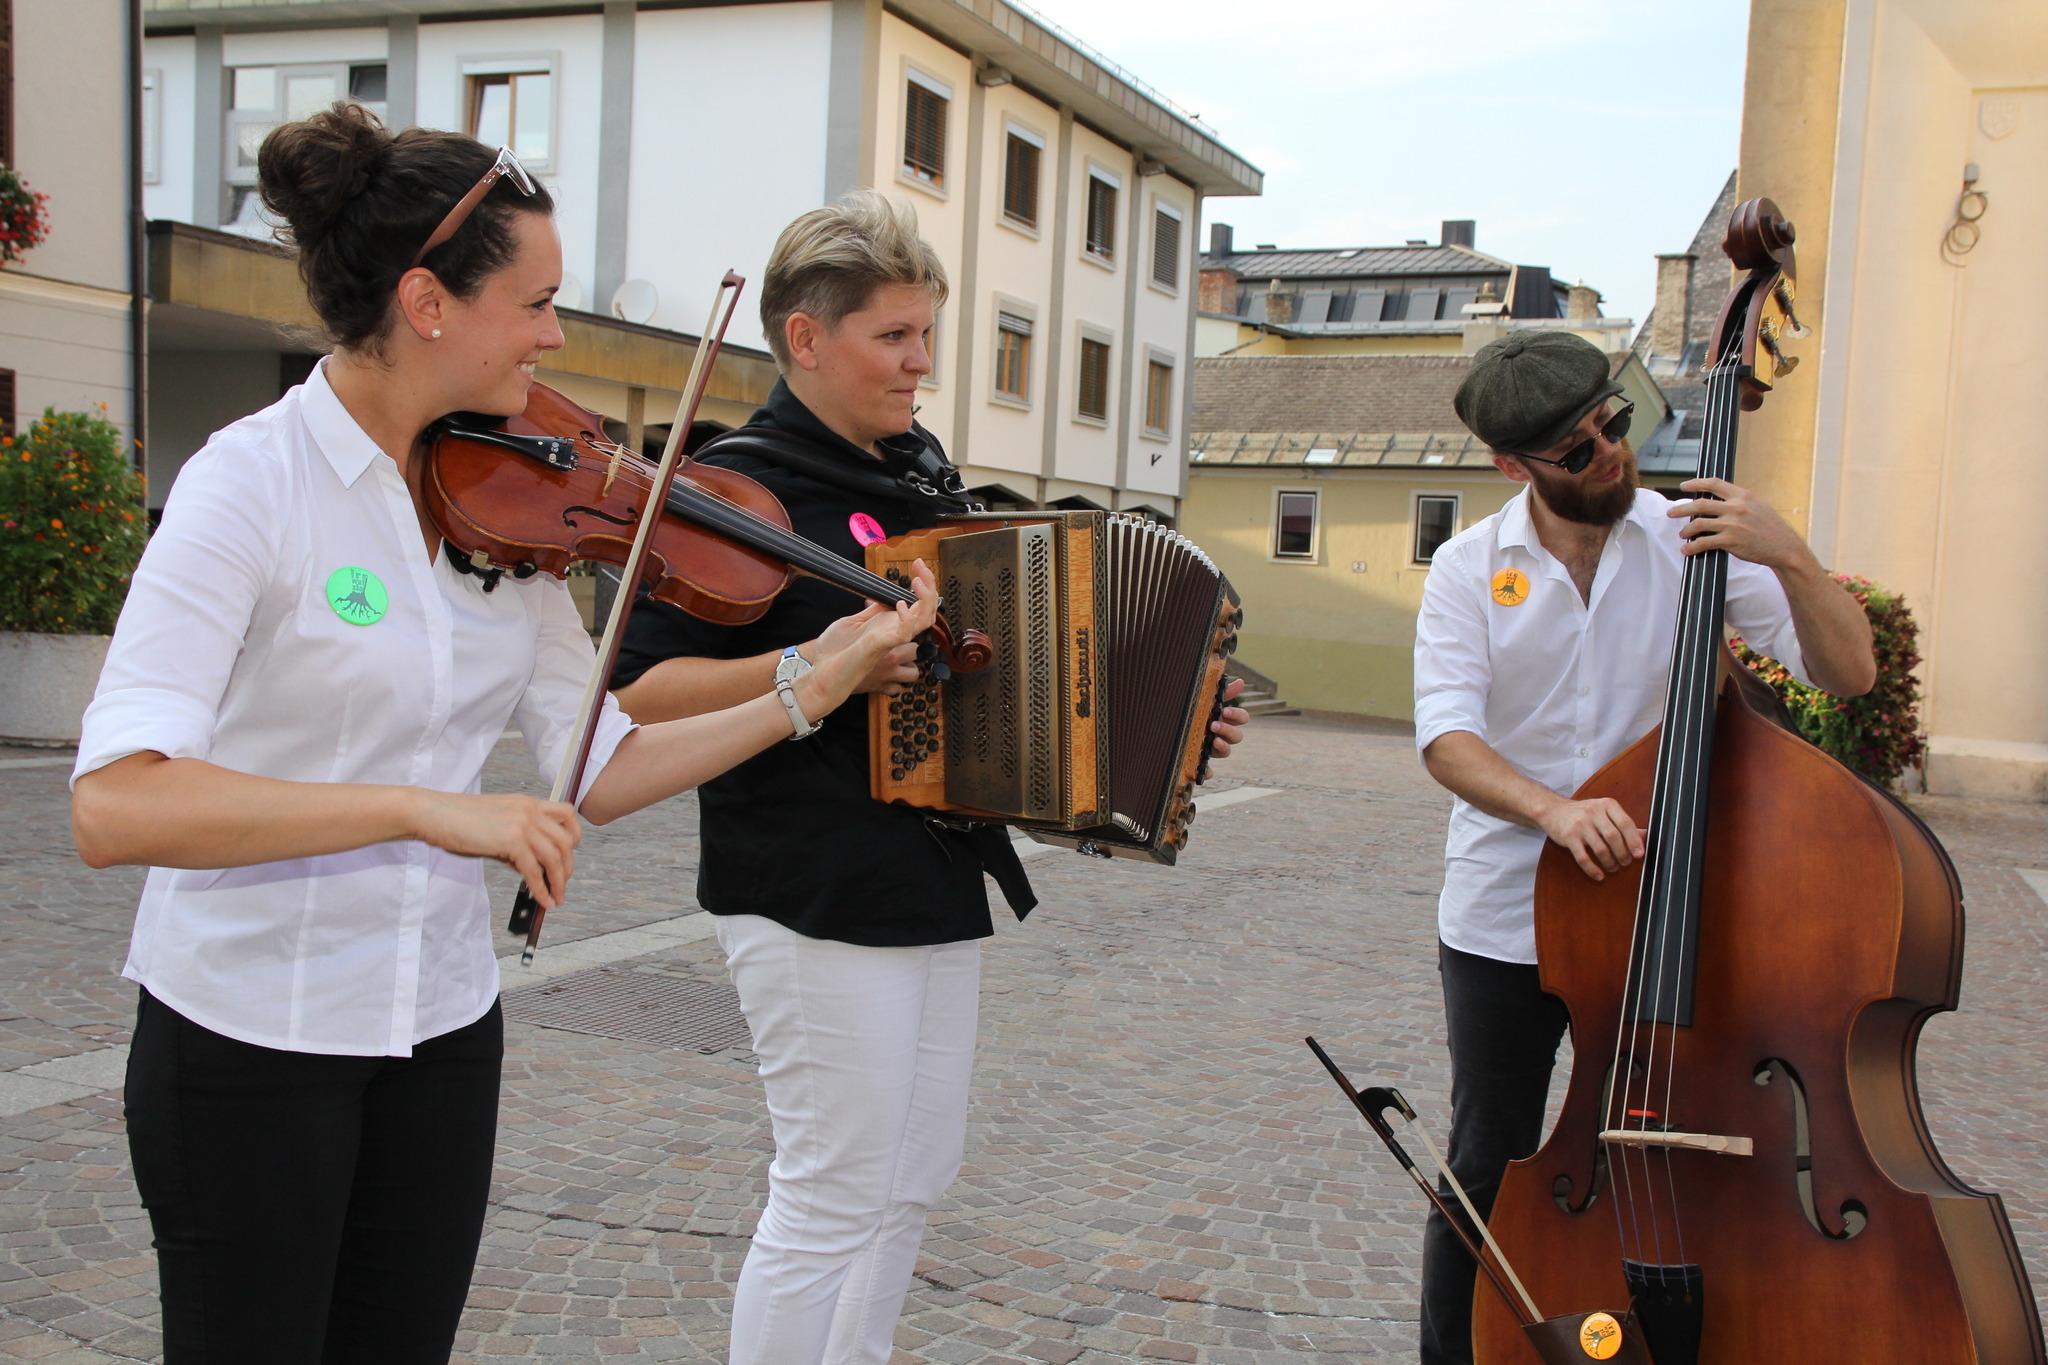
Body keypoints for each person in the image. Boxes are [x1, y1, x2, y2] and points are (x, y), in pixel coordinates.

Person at [67, 107, 934, 1365]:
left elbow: (602, 759)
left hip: (437, 1029)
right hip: (250, 1038)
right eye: (534, 301)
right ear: (428, 303)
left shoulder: (502, 506)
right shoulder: (247, 486)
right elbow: (117, 805)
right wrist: (424, 808)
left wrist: (812, 681)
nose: (555, 336)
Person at [608, 191, 1250, 1365]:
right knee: (831, 1191)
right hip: (806, 883)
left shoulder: (921, 482)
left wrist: (1159, 732)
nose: (921, 365)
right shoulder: (731, 491)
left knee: (910, 1181)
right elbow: (634, 699)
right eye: (893, 337)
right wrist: (818, 665)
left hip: (929, 872)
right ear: (805, 338)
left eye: (925, 335)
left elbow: (992, 693)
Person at [1409, 331, 1877, 1364]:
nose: (1608, 454)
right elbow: (1446, 737)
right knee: (1489, 1160)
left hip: (1659, 913)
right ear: (1511, 466)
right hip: (1505, 914)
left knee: (1661, 1152)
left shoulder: (1685, 538)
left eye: (1612, 424)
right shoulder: (1465, 568)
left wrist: (1786, 551)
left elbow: (1846, 674)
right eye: (1573, 451)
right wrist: (1552, 810)